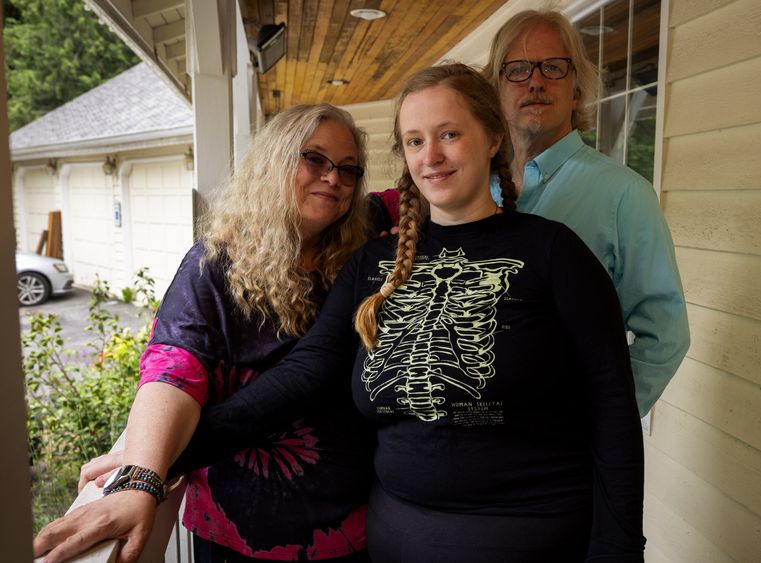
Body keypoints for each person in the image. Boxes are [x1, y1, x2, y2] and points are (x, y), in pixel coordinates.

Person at [171, 63, 646, 562]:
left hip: (533, 534)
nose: (431, 156)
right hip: (393, 539)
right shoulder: (372, 263)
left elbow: (612, 404)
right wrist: (167, 454)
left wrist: (618, 547)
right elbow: (307, 370)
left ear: (492, 139)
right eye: (415, 141)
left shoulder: (553, 253)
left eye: (449, 134)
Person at [33, 104, 375, 563]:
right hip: (240, 533)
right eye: (315, 159)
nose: (333, 178)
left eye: (348, 169)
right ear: (275, 161)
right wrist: (142, 470)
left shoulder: (362, 262)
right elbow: (174, 369)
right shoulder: (215, 266)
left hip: (352, 526)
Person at [483, 9, 690, 417]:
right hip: (476, 437)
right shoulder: (473, 189)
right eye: (518, 69)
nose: (536, 81)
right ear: (495, 89)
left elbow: (665, 333)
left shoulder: (623, 194)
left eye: (553, 68)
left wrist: (602, 420)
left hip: (564, 444)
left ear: (576, 90)